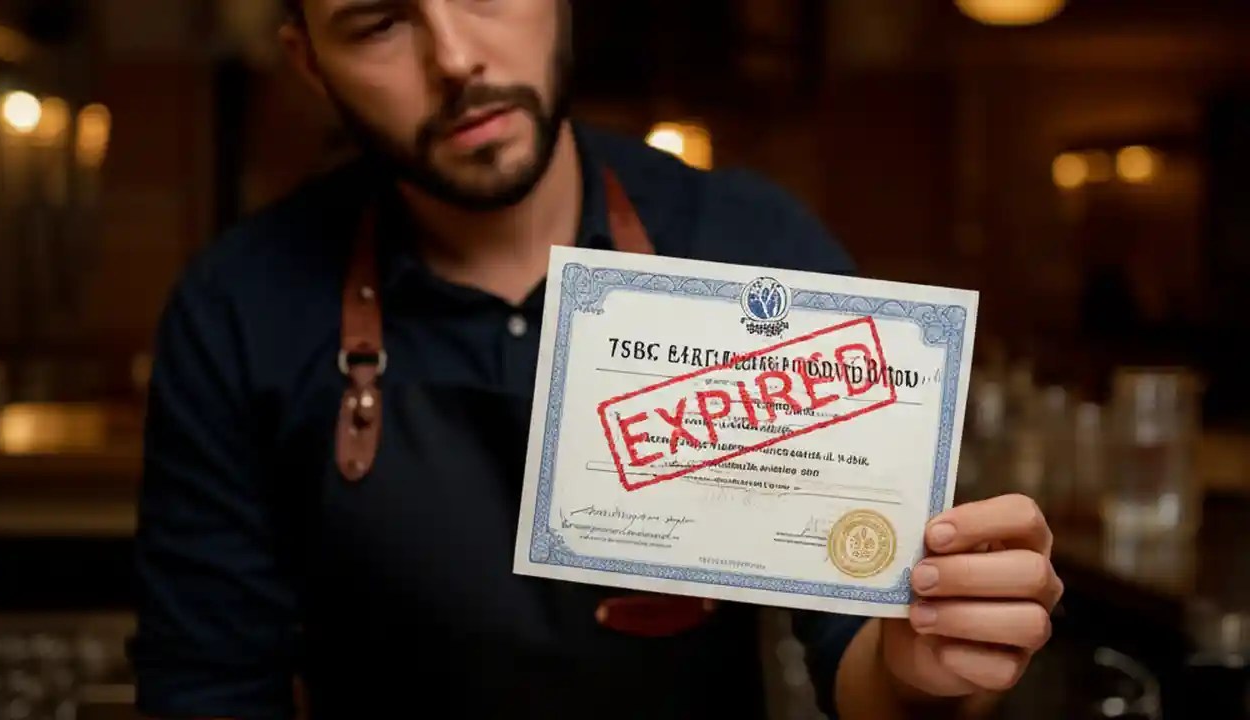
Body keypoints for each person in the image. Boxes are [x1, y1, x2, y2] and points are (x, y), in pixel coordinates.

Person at [128, 1, 1063, 718]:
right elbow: (206, 687)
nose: (455, 59)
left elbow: (858, 647)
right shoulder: (238, 307)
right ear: (310, 64)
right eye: (378, 23)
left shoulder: (747, 245)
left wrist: (925, 665)